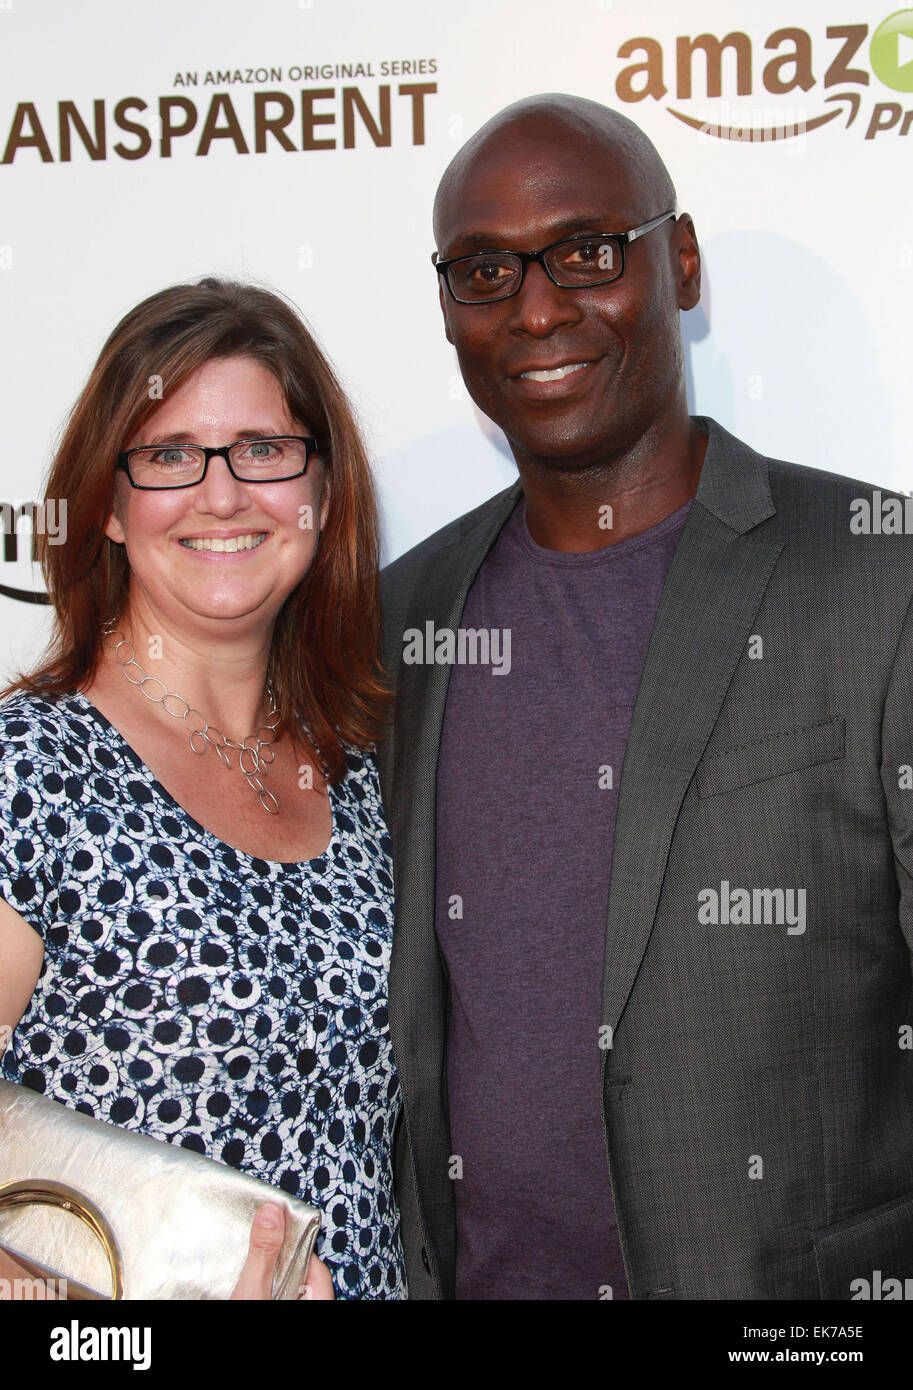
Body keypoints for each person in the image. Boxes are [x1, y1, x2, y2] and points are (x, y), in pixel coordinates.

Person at [378, 93, 913, 1300]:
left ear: (678, 260)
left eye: (585, 250)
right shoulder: (396, 622)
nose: (535, 306)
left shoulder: (881, 575)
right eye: (482, 270)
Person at [0, 278, 404, 1300]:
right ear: (108, 503)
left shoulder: (359, 770)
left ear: (321, 490)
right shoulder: (30, 770)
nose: (221, 494)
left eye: (262, 451)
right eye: (169, 455)